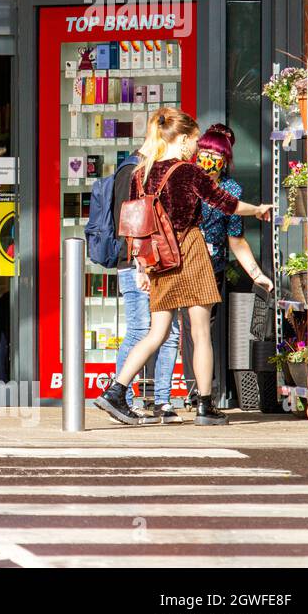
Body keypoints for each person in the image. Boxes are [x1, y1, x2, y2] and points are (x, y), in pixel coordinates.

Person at [95, 108, 272, 426]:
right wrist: (258, 209)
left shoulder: (142, 173)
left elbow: (136, 224)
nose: (197, 147)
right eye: (195, 140)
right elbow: (225, 203)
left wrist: (140, 266)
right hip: (189, 249)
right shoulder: (189, 173)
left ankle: (116, 391)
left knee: (156, 332)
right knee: (201, 332)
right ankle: (205, 405)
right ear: (182, 139)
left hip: (158, 256)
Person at [176, 123, 274, 399]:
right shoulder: (186, 180)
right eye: (205, 151)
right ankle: (194, 392)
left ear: (225, 160)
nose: (209, 159)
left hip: (213, 267)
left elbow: (236, 239)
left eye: (216, 156)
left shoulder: (231, 188)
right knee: (189, 330)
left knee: (204, 330)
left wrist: (256, 275)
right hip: (184, 265)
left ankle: (206, 392)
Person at [110, 149, 183, 423]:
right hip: (135, 262)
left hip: (160, 262)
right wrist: (140, 263)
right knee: (140, 330)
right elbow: (126, 223)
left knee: (169, 332)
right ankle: (122, 399)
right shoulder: (132, 171)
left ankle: (162, 401)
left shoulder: (156, 173)